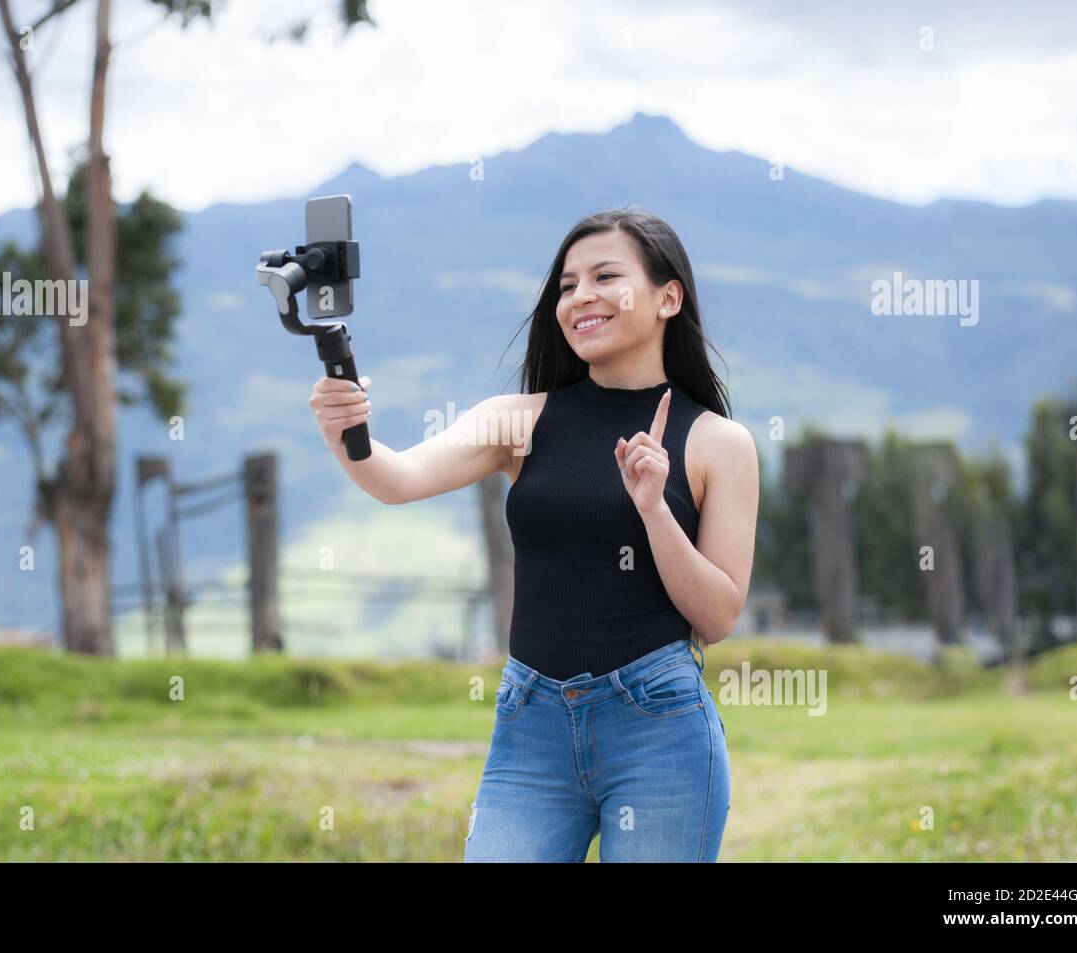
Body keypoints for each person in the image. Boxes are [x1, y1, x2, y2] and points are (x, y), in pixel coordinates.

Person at [308, 206, 759, 862]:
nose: (580, 297)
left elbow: (716, 616)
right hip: (533, 724)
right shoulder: (516, 421)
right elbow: (396, 478)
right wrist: (344, 433)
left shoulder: (720, 443)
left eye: (605, 276)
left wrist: (656, 510)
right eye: (567, 286)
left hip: (660, 728)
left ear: (668, 296)